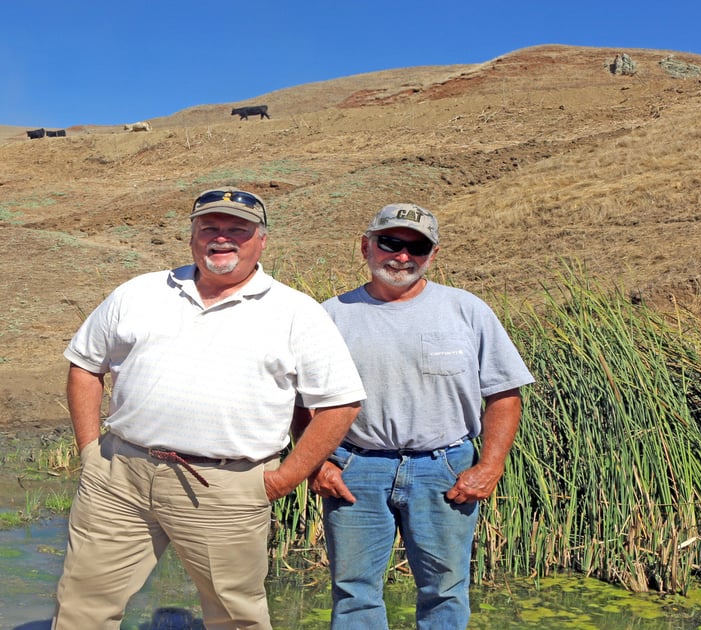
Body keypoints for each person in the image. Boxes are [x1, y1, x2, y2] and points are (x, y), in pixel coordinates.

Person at [52, 188, 366, 630]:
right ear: (192, 236)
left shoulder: (297, 312)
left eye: (238, 229)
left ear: (262, 240)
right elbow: (85, 365)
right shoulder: (139, 292)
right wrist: (90, 453)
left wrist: (282, 480)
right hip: (119, 476)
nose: (223, 239)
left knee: (235, 616)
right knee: (82, 607)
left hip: (225, 486)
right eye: (210, 228)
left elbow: (340, 404)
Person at [309, 203, 535, 630]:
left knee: (446, 590)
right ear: (365, 246)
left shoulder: (467, 310)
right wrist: (316, 463)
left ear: (433, 254)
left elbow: (504, 394)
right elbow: (304, 402)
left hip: (445, 469)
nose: (402, 256)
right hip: (356, 468)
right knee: (354, 591)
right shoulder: (330, 315)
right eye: (390, 242)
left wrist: (490, 465)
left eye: (417, 246)